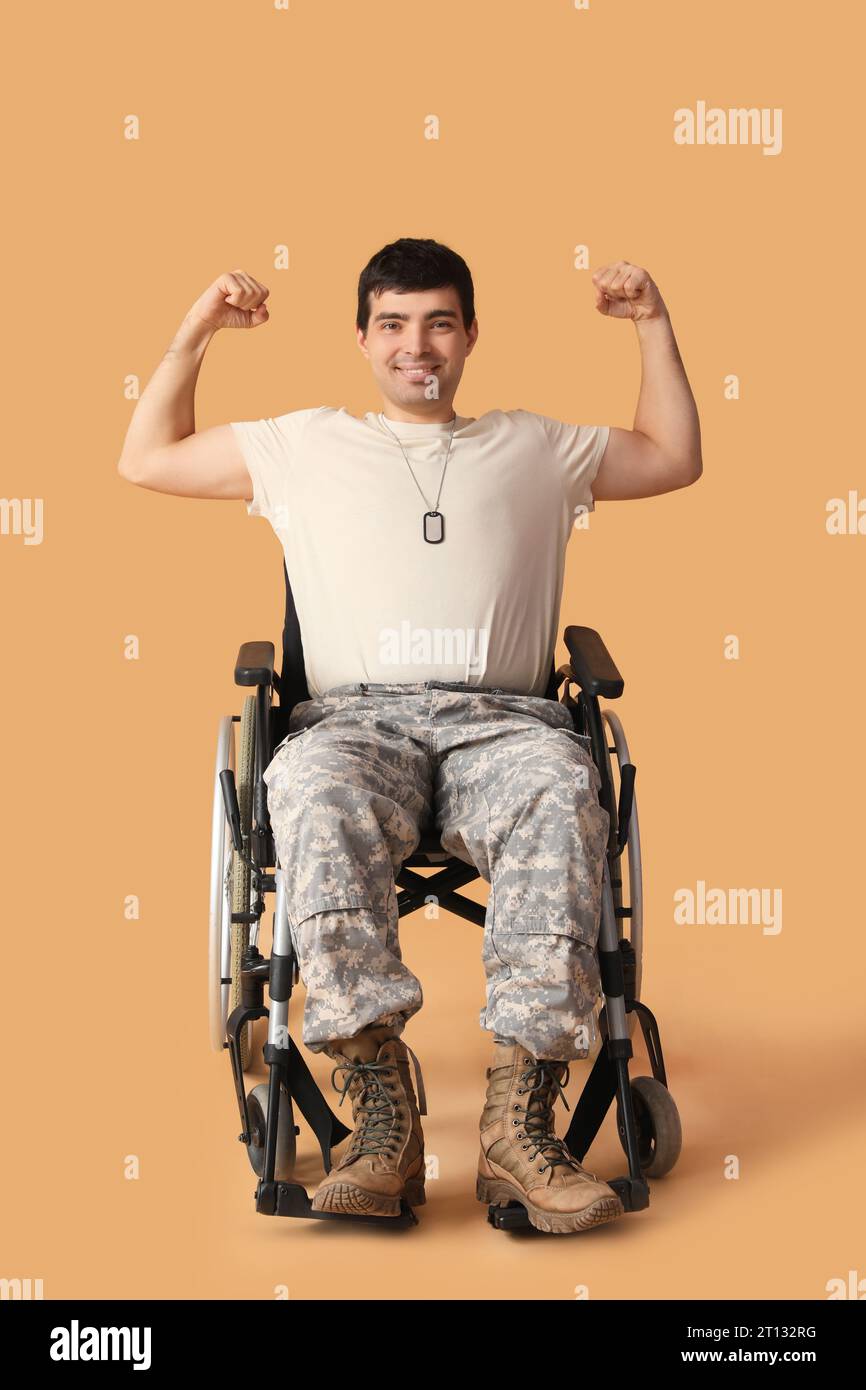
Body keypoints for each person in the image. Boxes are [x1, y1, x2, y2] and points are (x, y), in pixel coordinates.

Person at [117, 238, 702, 1233]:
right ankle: (378, 1113)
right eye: (391, 323)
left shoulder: (533, 445)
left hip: (501, 723)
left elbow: (673, 456)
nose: (414, 344)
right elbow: (146, 456)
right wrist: (198, 329)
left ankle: (520, 1125)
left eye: (437, 321)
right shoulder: (298, 445)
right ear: (362, 337)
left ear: (470, 334)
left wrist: (651, 322)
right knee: (305, 787)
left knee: (561, 786)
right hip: (354, 721)